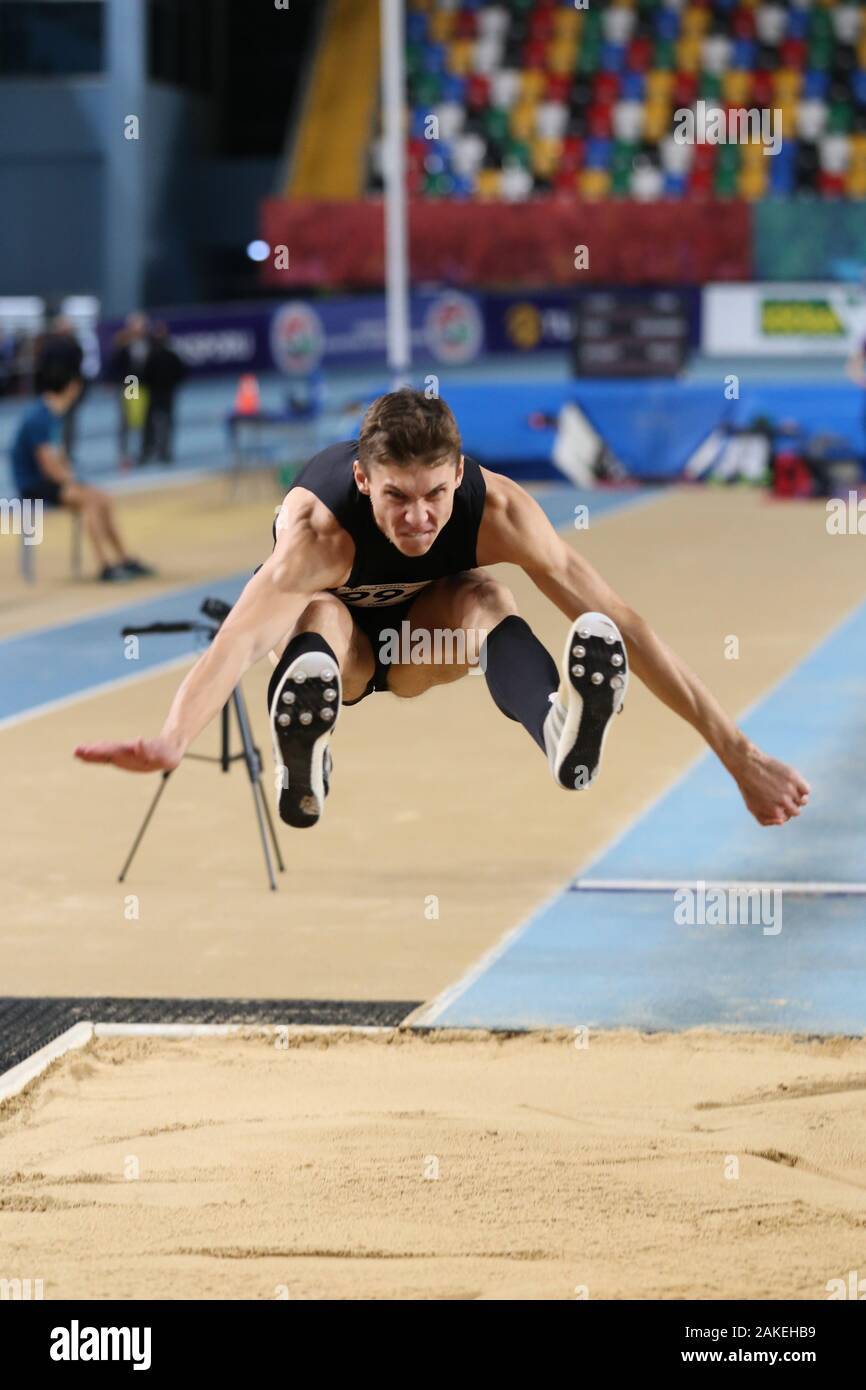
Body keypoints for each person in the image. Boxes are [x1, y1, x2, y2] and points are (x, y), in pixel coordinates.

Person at [75, 389, 810, 833]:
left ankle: (558, 730)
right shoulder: (318, 536)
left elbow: (624, 622)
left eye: (435, 494)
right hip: (347, 658)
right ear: (362, 480)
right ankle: (307, 752)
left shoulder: (500, 512)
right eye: (396, 497)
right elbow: (237, 640)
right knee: (317, 619)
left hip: (426, 646)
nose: (420, 517)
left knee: (488, 594)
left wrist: (738, 756)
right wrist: (174, 737)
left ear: (460, 472)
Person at [10, 360, 155, 582]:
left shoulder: (50, 413)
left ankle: (124, 559)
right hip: (33, 485)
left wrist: (72, 478)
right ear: (71, 387)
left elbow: (56, 457)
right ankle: (105, 566)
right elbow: (48, 464)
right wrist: (72, 482)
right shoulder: (39, 417)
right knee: (90, 501)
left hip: (48, 480)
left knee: (103, 498)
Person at [105, 313, 152, 468]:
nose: (139, 329)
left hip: (145, 385)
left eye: (142, 326)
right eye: (136, 326)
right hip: (130, 384)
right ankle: (124, 454)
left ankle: (144, 452)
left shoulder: (150, 342)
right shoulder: (122, 342)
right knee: (125, 420)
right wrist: (111, 381)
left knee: (144, 419)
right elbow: (114, 363)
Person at [35, 316, 86, 455]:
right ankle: (55, 454)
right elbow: (41, 369)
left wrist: (78, 391)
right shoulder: (49, 346)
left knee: (67, 426)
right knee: (53, 425)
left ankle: (64, 454)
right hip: (54, 392)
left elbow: (78, 370)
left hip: (67, 391)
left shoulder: (73, 346)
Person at [141, 323, 186, 464]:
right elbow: (136, 375)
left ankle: (160, 452)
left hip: (160, 393)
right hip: (150, 392)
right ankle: (152, 451)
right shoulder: (149, 354)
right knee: (148, 423)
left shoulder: (164, 355)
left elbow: (181, 372)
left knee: (161, 423)